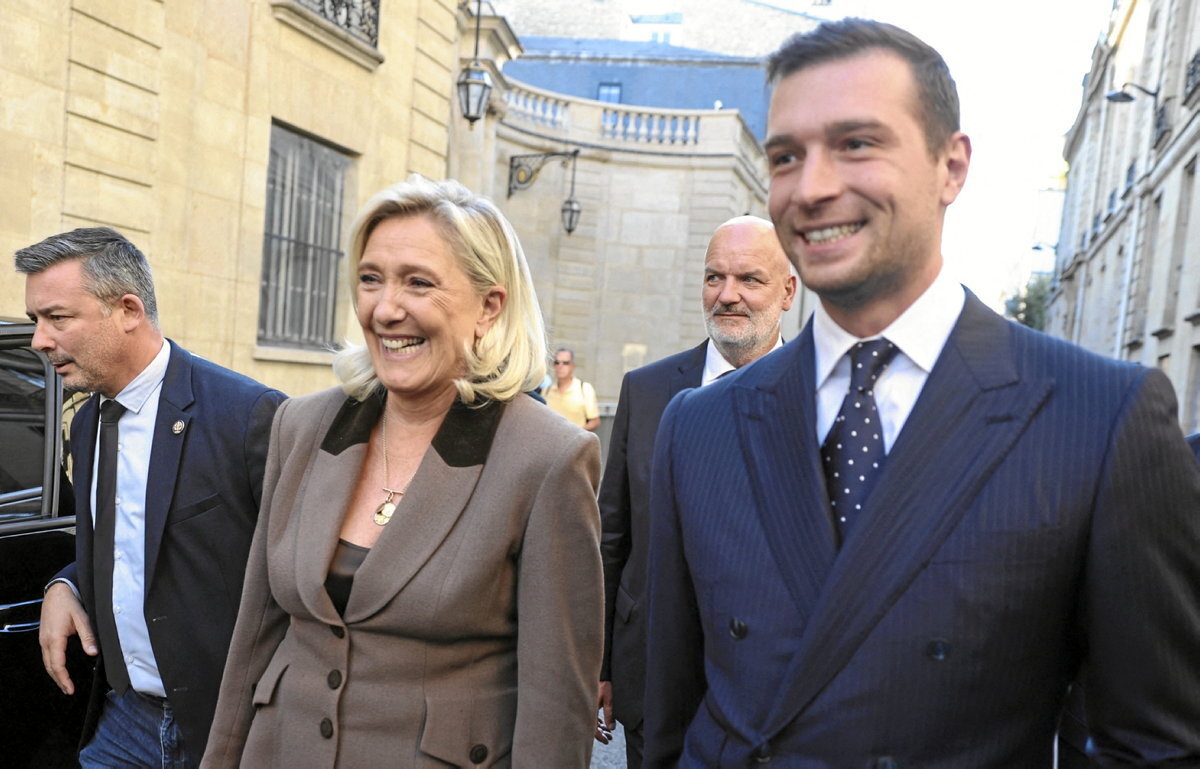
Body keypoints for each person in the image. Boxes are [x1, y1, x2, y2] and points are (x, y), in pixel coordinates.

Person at [642, 18, 1200, 767]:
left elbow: (1154, 744)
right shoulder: (698, 426)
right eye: (786, 156)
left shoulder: (1100, 417)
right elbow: (670, 715)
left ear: (951, 166)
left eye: (857, 143)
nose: (812, 187)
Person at [202, 176, 604, 767]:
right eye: (371, 279)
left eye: (419, 282)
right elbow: (255, 637)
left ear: (489, 305)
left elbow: (556, 705)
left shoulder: (546, 458)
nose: (386, 309)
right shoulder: (301, 426)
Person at [19, 227, 285, 768]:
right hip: (123, 723)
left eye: (57, 318)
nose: (39, 341)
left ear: (129, 310)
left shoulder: (250, 416)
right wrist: (66, 581)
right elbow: (125, 541)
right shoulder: (89, 420)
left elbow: (296, 580)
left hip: (225, 732)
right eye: (35, 321)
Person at [595, 215, 795, 766]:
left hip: (770, 693)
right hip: (650, 677)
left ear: (788, 292)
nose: (727, 296)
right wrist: (604, 665)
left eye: (749, 280)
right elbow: (613, 536)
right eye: (714, 278)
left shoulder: (821, 399)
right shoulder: (647, 389)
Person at [542, 347, 601, 430]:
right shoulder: (546, 391)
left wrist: (577, 435)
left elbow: (595, 421)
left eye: (565, 363)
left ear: (573, 366)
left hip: (576, 441)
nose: (560, 366)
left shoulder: (585, 389)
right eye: (557, 362)